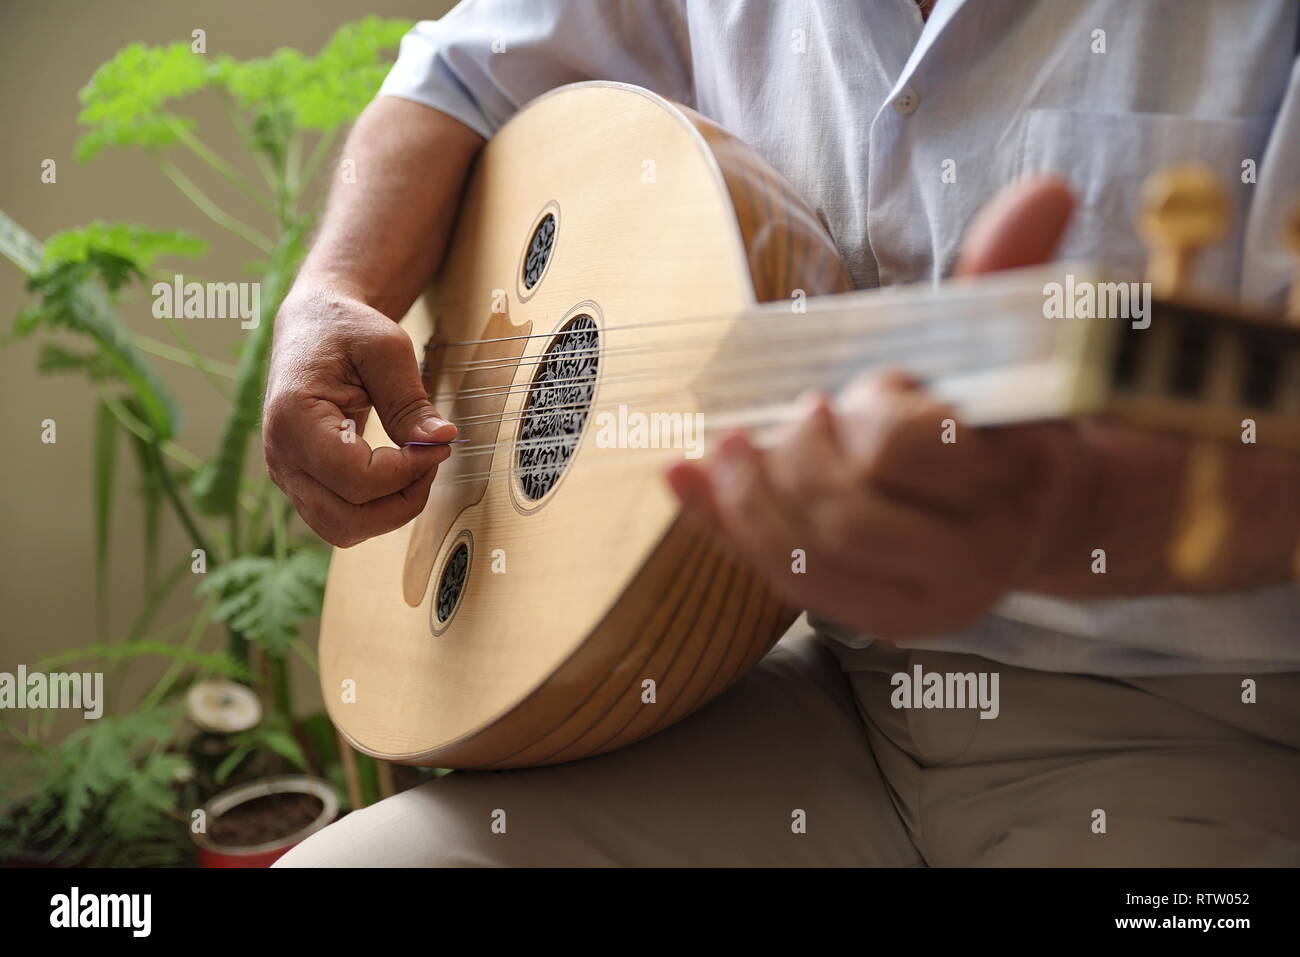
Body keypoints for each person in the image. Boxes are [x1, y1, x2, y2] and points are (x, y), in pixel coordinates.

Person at [269, 0, 1300, 866]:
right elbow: (457, 74)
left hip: (1195, 731)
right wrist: (334, 290)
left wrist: (1082, 514)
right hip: (808, 685)